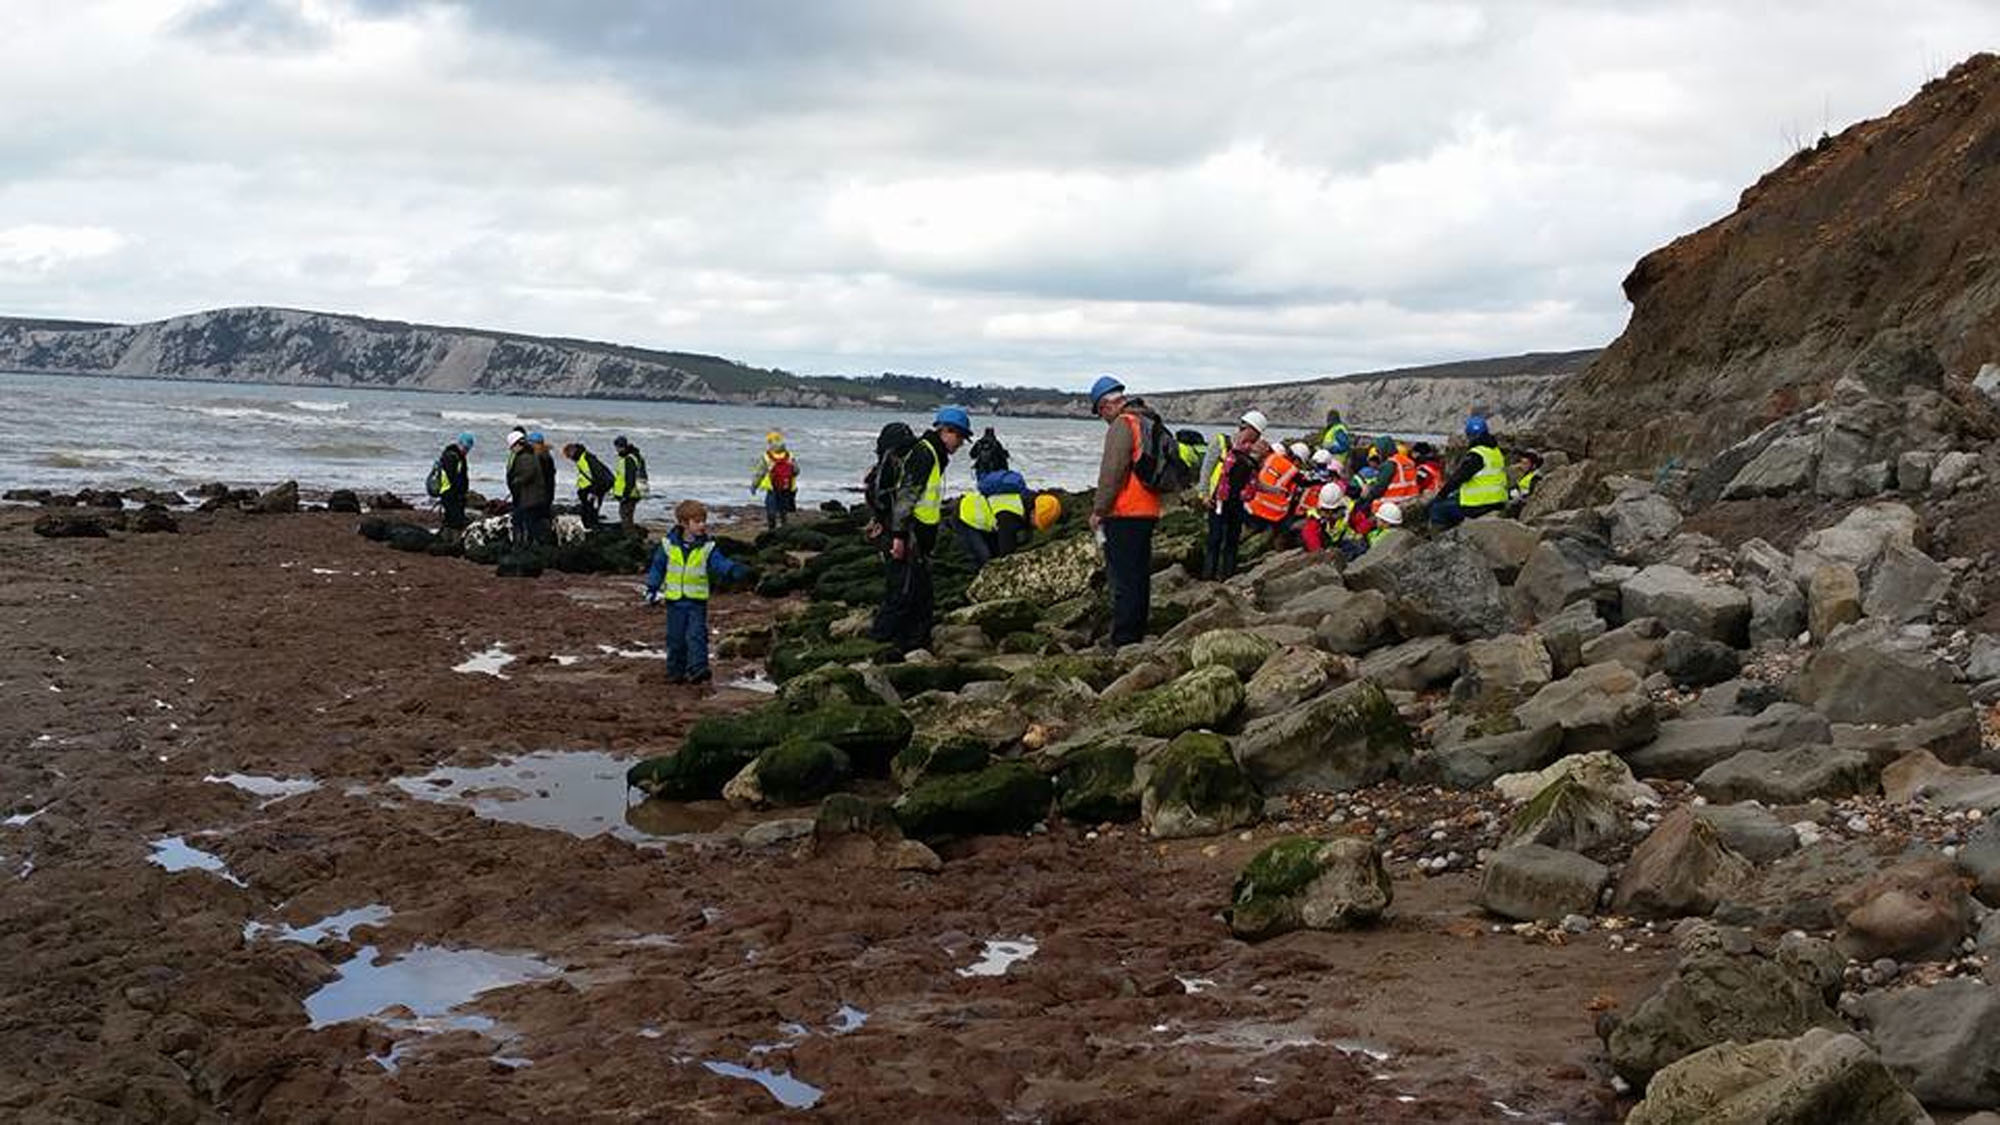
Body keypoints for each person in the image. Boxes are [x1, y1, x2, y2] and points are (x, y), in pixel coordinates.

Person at [872, 406, 971, 655]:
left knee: (920, 595)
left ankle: (914, 645)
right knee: (902, 592)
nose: (960, 443)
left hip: (920, 537)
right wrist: (898, 537)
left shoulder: (934, 455)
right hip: (910, 534)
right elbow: (907, 497)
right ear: (945, 431)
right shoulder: (925, 454)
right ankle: (878, 644)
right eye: (959, 436)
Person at [1088, 376, 1164, 647]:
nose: (1103, 419)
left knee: (1122, 579)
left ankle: (1124, 637)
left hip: (1124, 512)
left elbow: (1112, 473)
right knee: (1139, 575)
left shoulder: (1123, 424)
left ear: (1107, 405)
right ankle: (1137, 630)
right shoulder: (1146, 420)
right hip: (1148, 509)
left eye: (1100, 413)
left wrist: (1099, 510)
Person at [643, 499, 749, 685]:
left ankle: (699, 669)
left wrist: (733, 570)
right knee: (675, 638)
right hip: (674, 601)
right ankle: (675, 671)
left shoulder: (708, 547)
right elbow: (658, 568)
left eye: (703, 521)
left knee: (696, 635)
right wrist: (651, 589)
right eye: (697, 521)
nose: (702, 525)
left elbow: (719, 563)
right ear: (684, 523)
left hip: (696, 602)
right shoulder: (668, 545)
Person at [1202, 410, 1266, 580]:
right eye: (1256, 433)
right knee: (1214, 538)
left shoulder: (1253, 451)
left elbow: (1254, 481)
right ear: (1249, 428)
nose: (1257, 438)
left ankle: (1227, 576)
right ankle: (1208, 576)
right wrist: (1204, 494)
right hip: (1219, 499)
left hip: (1237, 502)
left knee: (1232, 540)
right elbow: (1207, 469)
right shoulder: (1222, 442)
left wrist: (1274, 490)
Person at [1430, 415, 1512, 529]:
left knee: (1438, 509)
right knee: (1453, 500)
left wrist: (1441, 495)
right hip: (1498, 501)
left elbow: (1458, 478)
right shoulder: (1495, 452)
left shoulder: (1477, 454)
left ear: (1470, 436)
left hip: (1479, 505)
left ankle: (1441, 540)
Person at [505, 428, 551, 546]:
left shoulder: (525, 456)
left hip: (530, 497)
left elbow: (528, 473)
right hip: (530, 496)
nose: (511, 449)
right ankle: (528, 544)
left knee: (529, 524)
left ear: (517, 444)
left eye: (512, 446)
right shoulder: (529, 454)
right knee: (529, 523)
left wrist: (516, 481)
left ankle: (529, 546)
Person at [752, 430, 800, 531]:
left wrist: (754, 486)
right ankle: (784, 528)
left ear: (769, 442)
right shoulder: (789, 455)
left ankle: (772, 529)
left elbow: (760, 473)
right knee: (783, 510)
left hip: (772, 487)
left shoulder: (766, 456)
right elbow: (796, 471)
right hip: (786, 487)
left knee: (771, 509)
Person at [563, 442, 615, 529]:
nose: (569, 459)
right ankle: (591, 526)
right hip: (590, 489)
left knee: (591, 511)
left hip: (595, 489)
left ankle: (592, 528)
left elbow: (597, 476)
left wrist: (593, 492)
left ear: (572, 452)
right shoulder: (582, 458)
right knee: (588, 510)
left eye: (568, 456)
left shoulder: (587, 458)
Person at [432, 431, 474, 530]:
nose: (466, 451)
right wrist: (459, 491)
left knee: (455, 518)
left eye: (468, 449)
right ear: (459, 444)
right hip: (449, 491)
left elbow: (463, 475)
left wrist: (464, 490)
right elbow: (452, 477)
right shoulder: (450, 456)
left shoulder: (460, 457)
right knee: (454, 520)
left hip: (457, 493)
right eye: (465, 448)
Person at [611, 436, 648, 530]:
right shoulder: (635, 457)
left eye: (618, 447)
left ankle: (631, 539)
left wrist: (625, 495)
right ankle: (631, 537)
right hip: (634, 492)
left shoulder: (629, 459)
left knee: (626, 517)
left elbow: (629, 479)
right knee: (627, 517)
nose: (617, 450)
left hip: (630, 494)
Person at [530, 431, 557, 544]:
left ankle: (540, 541)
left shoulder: (539, 457)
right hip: (548, 491)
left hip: (541, 493)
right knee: (544, 516)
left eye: (531, 443)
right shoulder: (547, 456)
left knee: (538, 519)